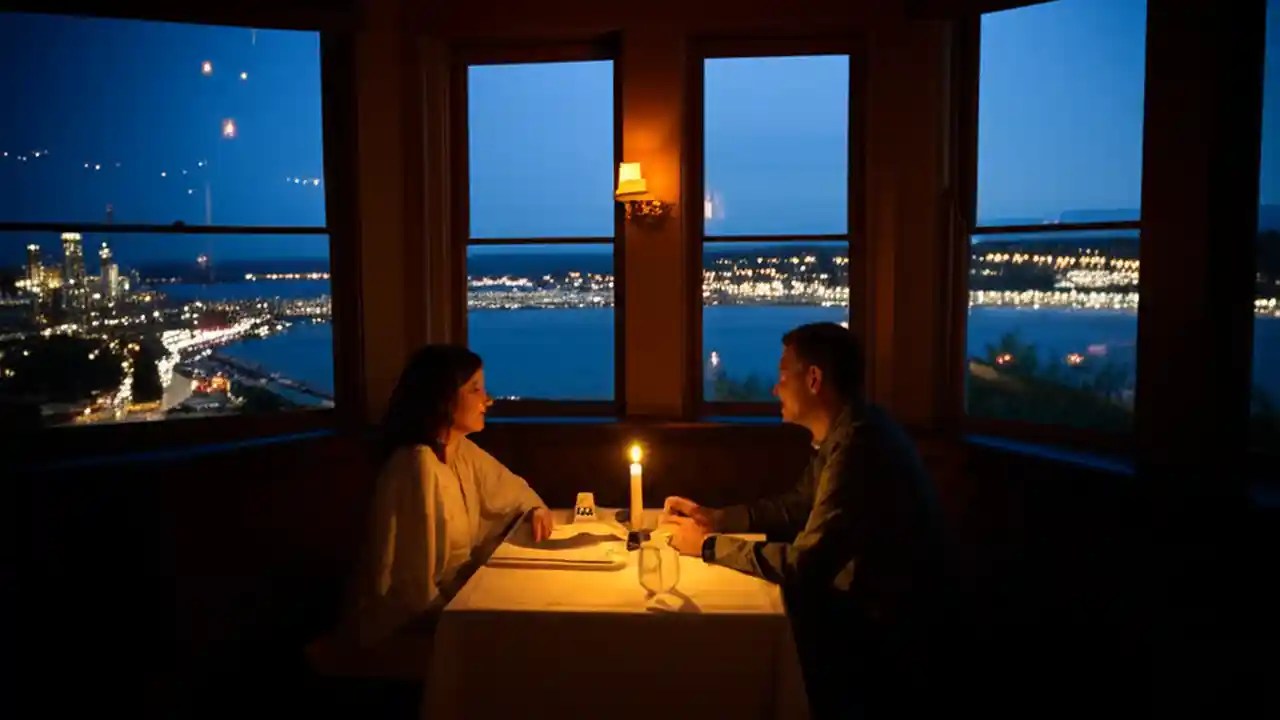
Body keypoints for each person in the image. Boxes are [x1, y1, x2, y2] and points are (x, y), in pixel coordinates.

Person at [659, 323, 943, 718]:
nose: (775, 389)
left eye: (781, 376)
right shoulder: (847, 433)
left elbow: (806, 565)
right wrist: (719, 518)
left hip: (881, 638)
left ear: (813, 379)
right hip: (861, 618)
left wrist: (707, 546)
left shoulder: (859, 447)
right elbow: (797, 505)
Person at [346, 344, 554, 648]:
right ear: (443, 397)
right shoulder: (416, 466)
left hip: (451, 606)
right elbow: (411, 590)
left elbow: (518, 494)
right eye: (475, 389)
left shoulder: (461, 452)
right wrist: (468, 623)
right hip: (407, 626)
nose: (488, 400)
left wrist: (534, 511)